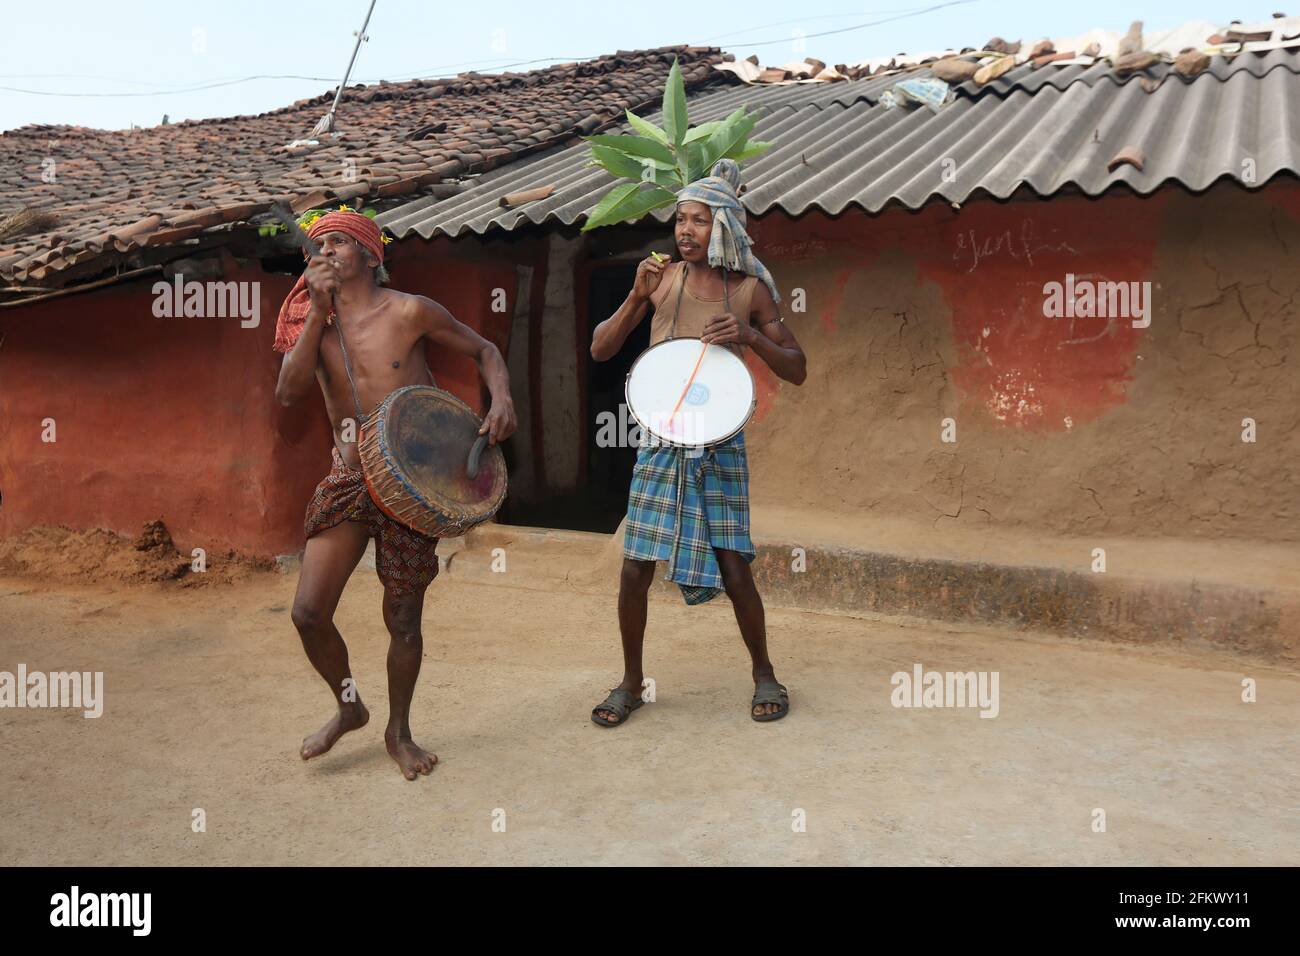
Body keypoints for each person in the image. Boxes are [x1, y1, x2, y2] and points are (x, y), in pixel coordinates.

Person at [273, 210, 516, 780]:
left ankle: (399, 732)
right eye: (318, 245)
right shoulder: (315, 327)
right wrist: (317, 318)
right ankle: (349, 705)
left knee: (403, 618)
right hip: (352, 475)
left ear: (369, 255)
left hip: (413, 480)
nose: (326, 251)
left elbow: (486, 351)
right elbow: (288, 393)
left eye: (338, 242)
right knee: (308, 613)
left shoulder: (409, 311)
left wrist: (501, 400)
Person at [588, 160, 807, 727]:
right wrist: (636, 300)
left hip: (719, 442)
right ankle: (631, 682)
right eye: (680, 219)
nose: (685, 231)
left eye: (700, 221)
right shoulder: (661, 281)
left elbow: (799, 368)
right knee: (636, 565)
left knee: (735, 565)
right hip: (661, 439)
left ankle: (765, 675)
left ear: (726, 228)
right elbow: (601, 350)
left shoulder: (751, 292)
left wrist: (752, 335)